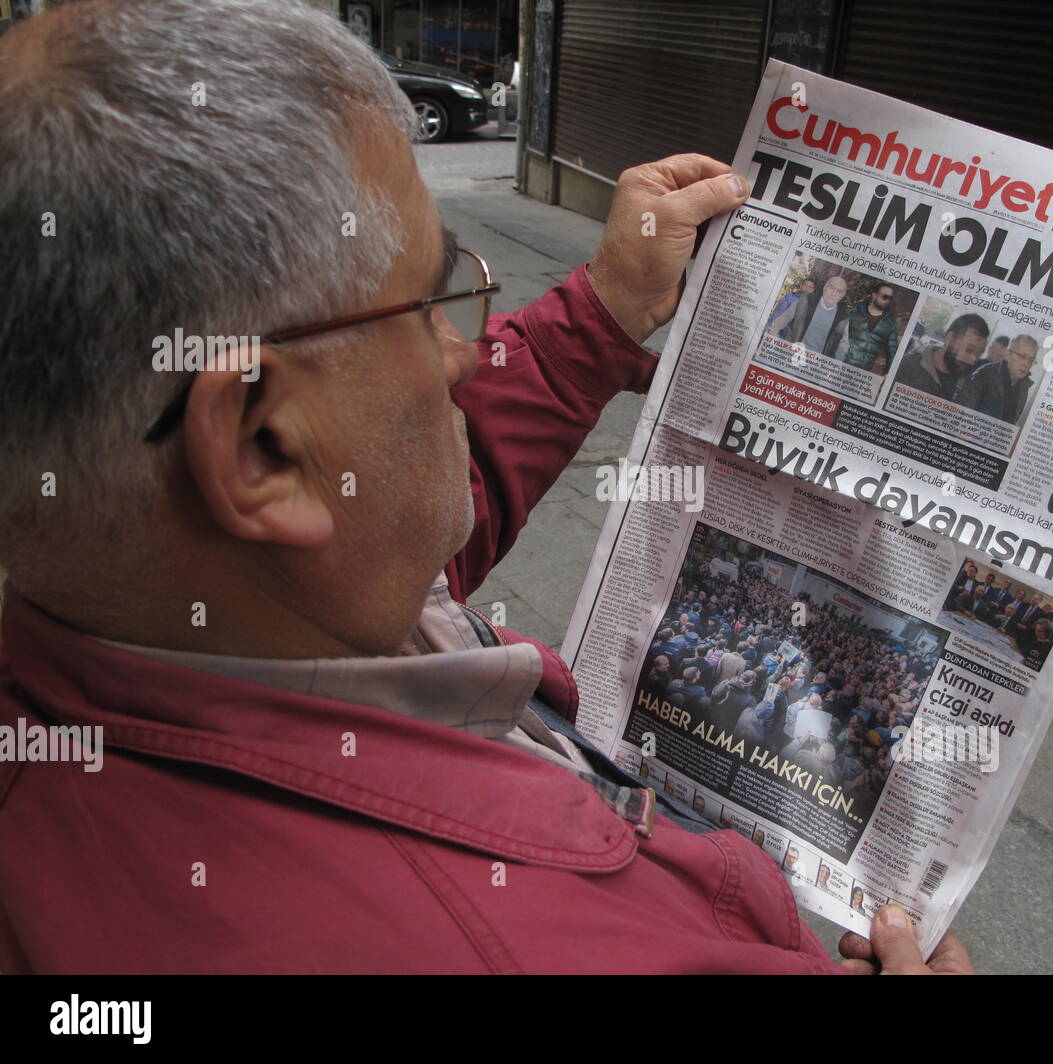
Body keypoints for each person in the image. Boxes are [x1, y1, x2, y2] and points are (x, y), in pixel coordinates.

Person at [0, 0, 973, 976]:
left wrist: (600, 312)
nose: (465, 353)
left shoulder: (187, 596)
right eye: (428, 302)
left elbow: (382, 507)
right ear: (261, 447)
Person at [893, 313, 989, 399]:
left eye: (979, 354)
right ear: (951, 338)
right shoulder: (906, 367)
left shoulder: (970, 384)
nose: (973, 360)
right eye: (969, 350)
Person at [954, 334, 1038, 424]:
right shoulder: (985, 374)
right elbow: (960, 415)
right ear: (1008, 354)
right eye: (1022, 357)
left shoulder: (1024, 387)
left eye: (1031, 360)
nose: (1026, 364)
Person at [769, 274, 851, 357]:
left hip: (814, 364)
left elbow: (844, 345)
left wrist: (834, 363)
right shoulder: (805, 301)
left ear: (842, 295)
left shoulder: (843, 318)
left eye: (839, 291)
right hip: (791, 354)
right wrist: (775, 345)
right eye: (832, 288)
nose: (834, 293)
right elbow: (778, 324)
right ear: (825, 288)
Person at [843, 281, 898, 373]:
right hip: (842, 364)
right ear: (874, 295)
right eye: (884, 297)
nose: (887, 300)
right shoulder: (855, 313)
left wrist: (888, 373)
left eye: (890, 298)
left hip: (863, 372)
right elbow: (836, 335)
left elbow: (892, 351)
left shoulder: (889, 324)